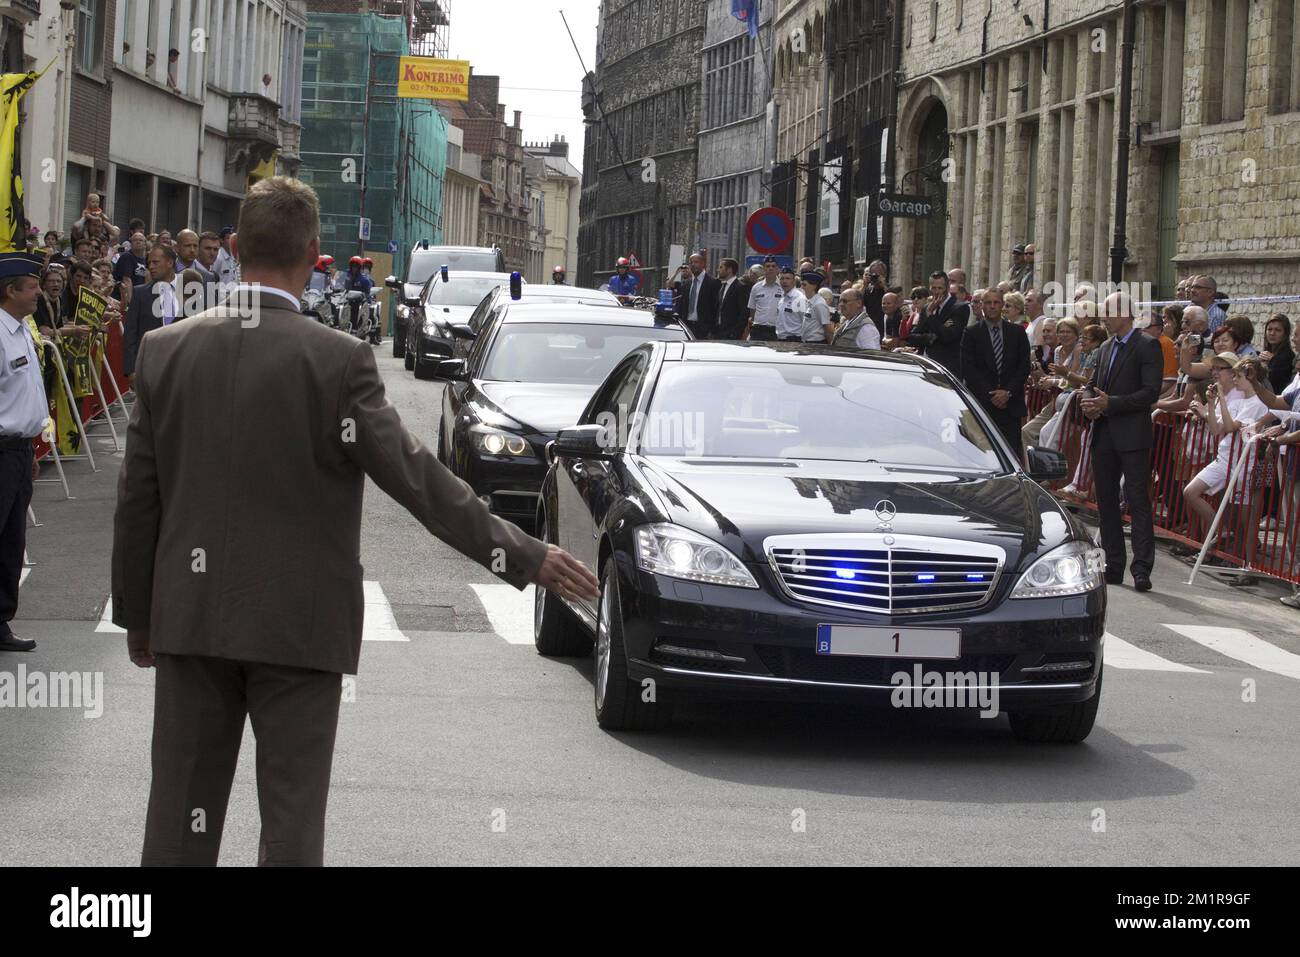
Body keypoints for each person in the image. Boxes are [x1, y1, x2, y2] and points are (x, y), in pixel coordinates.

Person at [111, 176, 598, 866]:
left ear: (237, 246)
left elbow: (138, 498)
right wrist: (523, 553)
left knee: (178, 831)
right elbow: (419, 481)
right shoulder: (337, 361)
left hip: (190, 622)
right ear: (314, 253)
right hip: (299, 629)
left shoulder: (166, 351)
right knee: (290, 828)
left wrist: (138, 612)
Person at [1080, 292, 1164, 591]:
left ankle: (1141, 568)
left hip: (1132, 435)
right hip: (1103, 435)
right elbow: (1094, 385)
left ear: (1126, 313)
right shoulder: (1104, 347)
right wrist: (1089, 401)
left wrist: (1109, 404)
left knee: (1138, 501)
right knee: (1106, 503)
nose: (1104, 317)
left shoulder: (1147, 345)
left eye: (1109, 312)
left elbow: (1150, 392)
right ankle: (1113, 565)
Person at [0, 253, 49, 652]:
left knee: (11, 544)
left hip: (17, 453)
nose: (38, 292)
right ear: (9, 290)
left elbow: (24, 398)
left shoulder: (20, 330)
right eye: (31, 287)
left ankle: (0, 623)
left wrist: (30, 449)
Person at [1182, 355, 1271, 561]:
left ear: (1250, 378)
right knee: (1191, 492)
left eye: (1238, 376)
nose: (1235, 379)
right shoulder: (1240, 400)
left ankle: (1244, 562)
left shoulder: (1257, 402)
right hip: (1224, 458)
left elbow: (1231, 427)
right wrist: (1211, 404)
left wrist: (1220, 398)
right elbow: (1217, 429)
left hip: (1242, 464)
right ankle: (1221, 534)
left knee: (1244, 519)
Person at [961, 287, 1031, 457]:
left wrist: (1007, 393)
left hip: (1010, 406)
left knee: (1011, 454)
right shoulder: (972, 333)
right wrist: (992, 394)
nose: (992, 306)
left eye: (996, 302)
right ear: (982, 306)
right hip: (983, 405)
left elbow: (1023, 366)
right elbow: (968, 369)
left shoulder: (1017, 333)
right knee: (982, 454)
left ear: (1002, 306)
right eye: (988, 302)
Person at [123, 244, 180, 381]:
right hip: (150, 368)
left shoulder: (191, 290)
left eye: (155, 262)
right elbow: (130, 332)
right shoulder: (140, 293)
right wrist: (131, 370)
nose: (151, 267)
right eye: (149, 263)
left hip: (182, 366)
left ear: (170, 262)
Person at [911, 270, 969, 374]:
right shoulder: (926, 308)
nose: (936, 292)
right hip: (925, 365)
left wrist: (930, 316)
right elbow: (913, 337)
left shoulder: (959, 308)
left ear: (947, 288)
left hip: (946, 368)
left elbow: (948, 337)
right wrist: (932, 336)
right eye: (933, 288)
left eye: (940, 288)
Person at [675, 252, 719, 339]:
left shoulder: (713, 283)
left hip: (705, 329)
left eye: (696, 262)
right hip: (687, 327)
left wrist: (712, 330)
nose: (693, 265)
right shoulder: (687, 283)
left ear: (703, 264)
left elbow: (716, 307)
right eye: (691, 263)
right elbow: (682, 305)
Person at [745, 256, 782, 341]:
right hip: (758, 330)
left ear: (777, 269)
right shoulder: (756, 287)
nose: (770, 269)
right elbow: (752, 310)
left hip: (776, 330)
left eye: (773, 266)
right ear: (764, 269)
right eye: (768, 266)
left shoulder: (783, 287)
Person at [1259, 314, 1295, 394]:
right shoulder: (1266, 354)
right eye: (1269, 329)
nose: (1272, 333)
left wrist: (1273, 361)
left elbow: (1274, 382)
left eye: (1277, 330)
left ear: (1285, 334)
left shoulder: (1287, 357)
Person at [714, 258, 748, 340]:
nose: (718, 270)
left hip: (731, 334)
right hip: (718, 332)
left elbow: (744, 313)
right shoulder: (721, 286)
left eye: (721, 267)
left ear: (729, 270)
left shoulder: (740, 287)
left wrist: (735, 334)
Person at [799, 271, 834, 344]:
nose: (801, 287)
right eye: (801, 284)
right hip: (807, 343)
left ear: (814, 286)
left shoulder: (819, 304)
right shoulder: (809, 301)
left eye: (804, 285)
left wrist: (831, 348)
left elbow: (828, 329)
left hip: (816, 344)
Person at [775, 266, 806, 342]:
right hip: (780, 339)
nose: (784, 281)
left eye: (788, 278)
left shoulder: (800, 299)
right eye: (782, 278)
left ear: (794, 281)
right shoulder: (782, 298)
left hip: (794, 340)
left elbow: (805, 323)